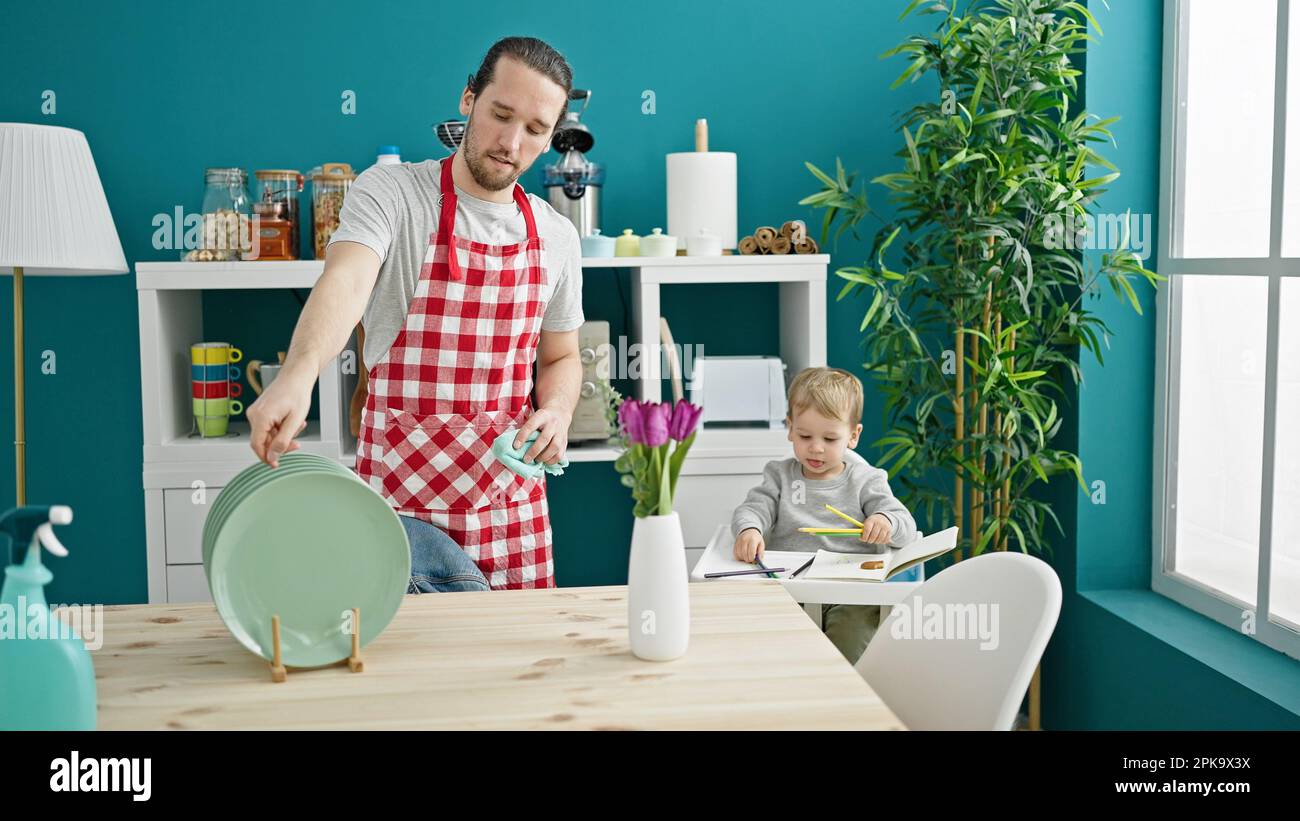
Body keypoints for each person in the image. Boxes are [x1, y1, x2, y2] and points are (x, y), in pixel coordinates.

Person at [246, 37, 585, 592]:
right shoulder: (393, 193)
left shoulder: (556, 236)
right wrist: (297, 376)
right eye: (500, 114)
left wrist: (560, 413)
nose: (510, 142)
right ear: (468, 98)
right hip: (402, 510)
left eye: (534, 129)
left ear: (550, 138)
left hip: (508, 512)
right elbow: (346, 280)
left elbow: (563, 356)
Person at [731, 367, 918, 664]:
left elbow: (906, 526)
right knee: (776, 650)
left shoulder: (866, 480)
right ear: (790, 428)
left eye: (830, 439)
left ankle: (842, 698)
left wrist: (885, 521)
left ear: (853, 436)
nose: (816, 448)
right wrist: (749, 530)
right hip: (790, 589)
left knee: (848, 646)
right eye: (805, 435)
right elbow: (753, 508)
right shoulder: (779, 476)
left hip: (851, 595)